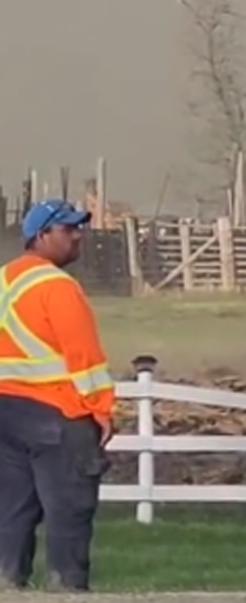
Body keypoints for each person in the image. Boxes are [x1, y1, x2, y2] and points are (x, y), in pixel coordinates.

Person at [0, 199, 115, 592]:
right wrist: (100, 409)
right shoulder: (57, 286)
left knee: (12, 509)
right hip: (57, 412)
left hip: (6, 412)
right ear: (41, 236)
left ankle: (7, 585)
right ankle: (67, 588)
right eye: (68, 230)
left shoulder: (3, 280)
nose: (78, 237)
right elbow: (83, 355)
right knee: (70, 510)